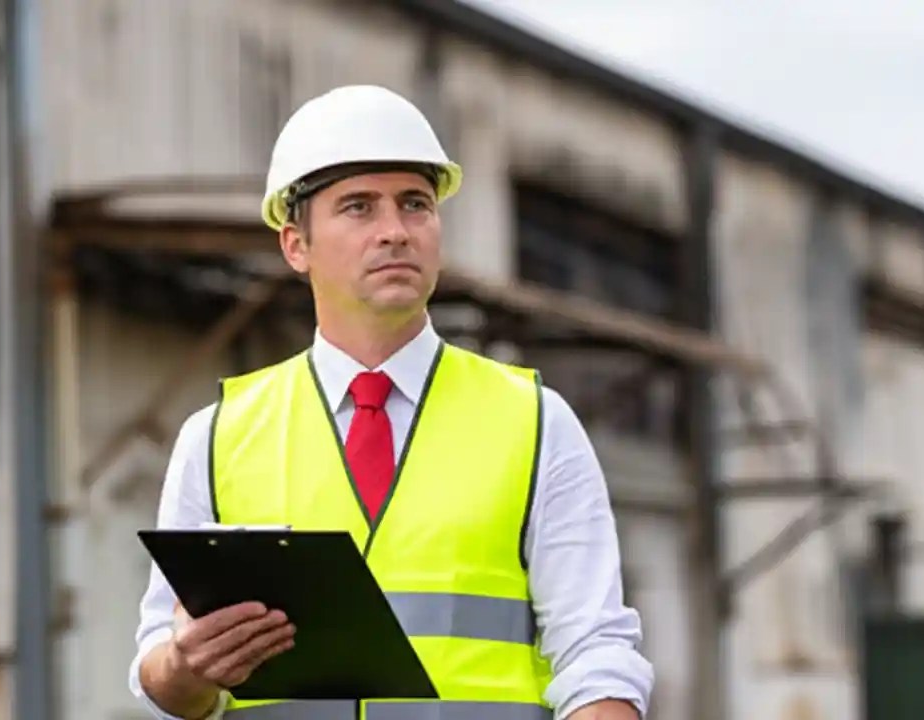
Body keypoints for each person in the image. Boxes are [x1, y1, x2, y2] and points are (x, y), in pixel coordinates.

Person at [130, 84, 653, 720]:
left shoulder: (535, 422)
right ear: (296, 245)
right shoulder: (216, 437)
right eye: (358, 207)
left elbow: (596, 655)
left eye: (415, 204)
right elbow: (163, 674)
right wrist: (186, 667)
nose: (395, 232)